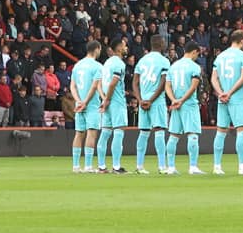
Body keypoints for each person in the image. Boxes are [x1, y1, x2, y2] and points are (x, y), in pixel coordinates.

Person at [212, 29, 243, 176]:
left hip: (222, 99)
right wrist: (229, 93)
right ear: (242, 40)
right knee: (242, 131)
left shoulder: (220, 57)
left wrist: (220, 93)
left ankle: (217, 166)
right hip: (237, 98)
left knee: (221, 131)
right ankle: (242, 166)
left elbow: (213, 79)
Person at [133, 34, 173, 175]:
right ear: (160, 44)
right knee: (159, 131)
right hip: (156, 102)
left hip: (143, 101)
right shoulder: (164, 61)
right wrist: (151, 100)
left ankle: (139, 165)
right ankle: (162, 166)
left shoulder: (142, 61)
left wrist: (140, 100)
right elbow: (163, 82)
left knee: (144, 133)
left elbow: (135, 82)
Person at [167, 42, 206, 175]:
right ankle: (193, 167)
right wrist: (182, 100)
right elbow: (193, 86)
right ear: (194, 52)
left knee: (173, 135)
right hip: (188, 104)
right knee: (192, 134)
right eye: (197, 54)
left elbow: (167, 86)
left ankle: (171, 167)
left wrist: (174, 100)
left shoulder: (173, 66)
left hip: (176, 104)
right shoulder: (195, 67)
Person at [69, 35, 105, 173]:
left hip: (79, 105)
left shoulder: (77, 65)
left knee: (79, 133)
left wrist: (78, 100)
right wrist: (85, 102)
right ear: (97, 49)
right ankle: (88, 165)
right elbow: (95, 86)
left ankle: (76, 166)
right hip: (91, 105)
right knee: (91, 133)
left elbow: (72, 86)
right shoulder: (97, 66)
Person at [100, 35, 130, 177]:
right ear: (119, 48)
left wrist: (104, 98)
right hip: (116, 101)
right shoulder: (119, 64)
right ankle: (116, 166)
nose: (126, 48)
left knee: (105, 132)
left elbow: (102, 82)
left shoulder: (107, 63)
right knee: (118, 131)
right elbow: (113, 82)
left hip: (107, 100)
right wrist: (107, 99)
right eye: (124, 45)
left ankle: (101, 166)